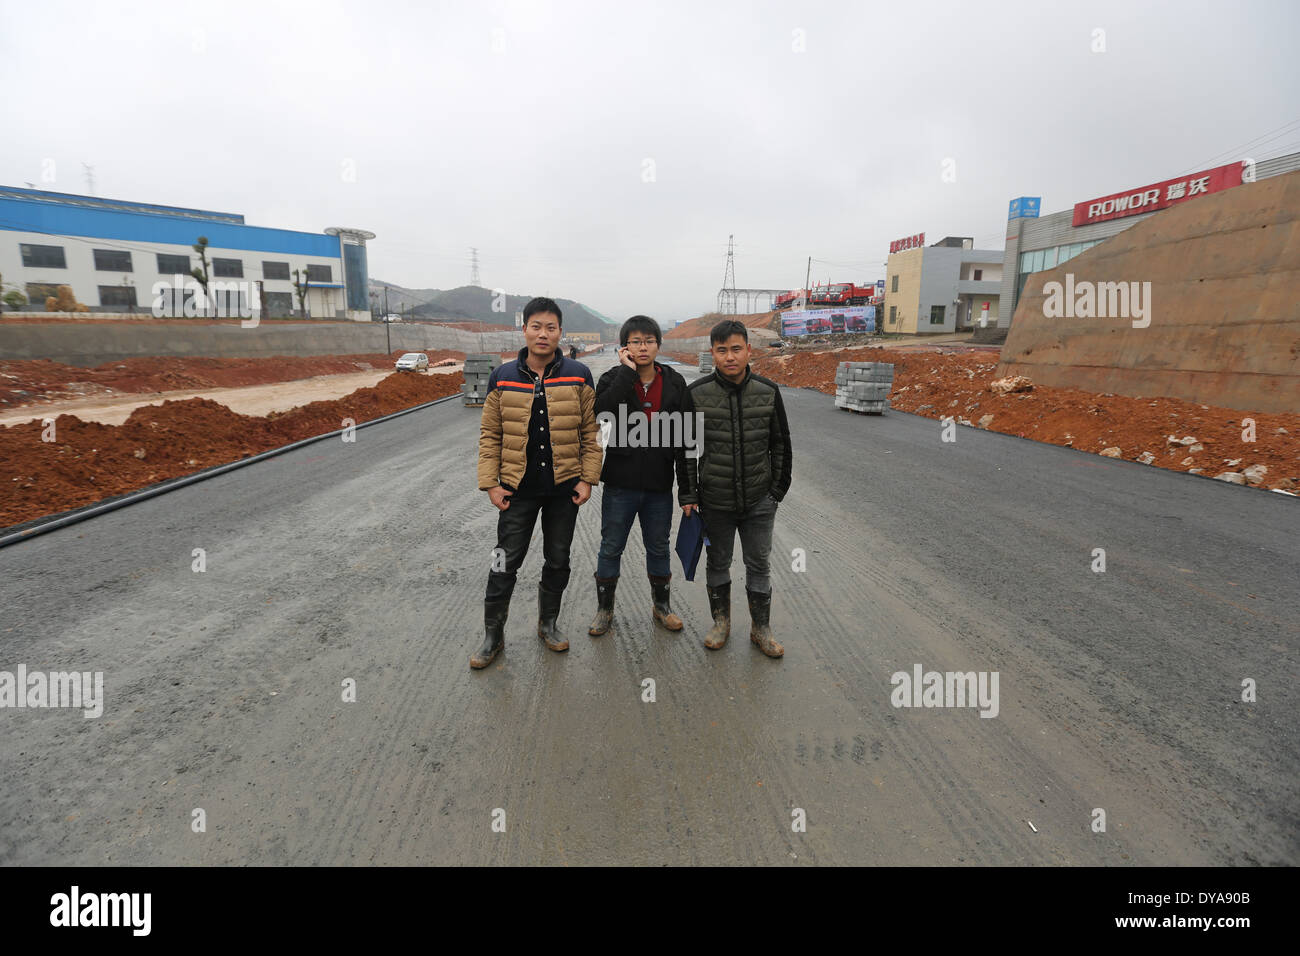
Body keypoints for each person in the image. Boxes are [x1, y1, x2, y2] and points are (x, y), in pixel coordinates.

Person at [472, 297, 602, 669]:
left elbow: (591, 433)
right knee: (504, 562)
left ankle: (548, 624)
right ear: (524, 329)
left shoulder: (579, 374)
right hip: (518, 490)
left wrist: (588, 478)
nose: (543, 334)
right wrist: (491, 484)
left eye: (550, 327)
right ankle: (492, 636)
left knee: (558, 558)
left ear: (560, 332)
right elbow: (490, 434)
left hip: (563, 489)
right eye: (536, 326)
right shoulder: (503, 376)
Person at [680, 320, 792, 658]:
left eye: (736, 349)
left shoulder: (768, 391)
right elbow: (688, 450)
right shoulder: (696, 393)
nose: (730, 356)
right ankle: (721, 624)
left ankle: (761, 629)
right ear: (712, 353)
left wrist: (776, 491)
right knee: (718, 563)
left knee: (759, 565)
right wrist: (689, 494)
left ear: (748, 350)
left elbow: (780, 444)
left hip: (760, 500)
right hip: (716, 501)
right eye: (722, 350)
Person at [588, 316, 695, 637]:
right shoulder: (611, 379)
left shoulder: (675, 384)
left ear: (658, 345)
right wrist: (626, 372)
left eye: (648, 341)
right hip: (620, 484)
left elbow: (687, 440)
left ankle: (662, 607)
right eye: (635, 341)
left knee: (658, 548)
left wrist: (688, 492)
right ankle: (604, 610)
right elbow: (602, 412)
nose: (642, 347)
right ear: (624, 347)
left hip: (659, 487)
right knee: (610, 547)